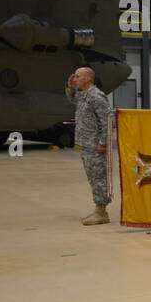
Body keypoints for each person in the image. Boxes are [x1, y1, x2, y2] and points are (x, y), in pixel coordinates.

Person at [65, 66, 112, 225]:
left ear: (88, 78)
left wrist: (103, 143)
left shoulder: (97, 97)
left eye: (78, 76)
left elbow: (106, 121)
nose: (75, 78)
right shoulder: (84, 95)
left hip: (95, 145)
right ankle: (99, 210)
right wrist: (70, 86)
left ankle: (101, 213)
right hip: (87, 144)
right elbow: (72, 99)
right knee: (92, 177)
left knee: (98, 178)